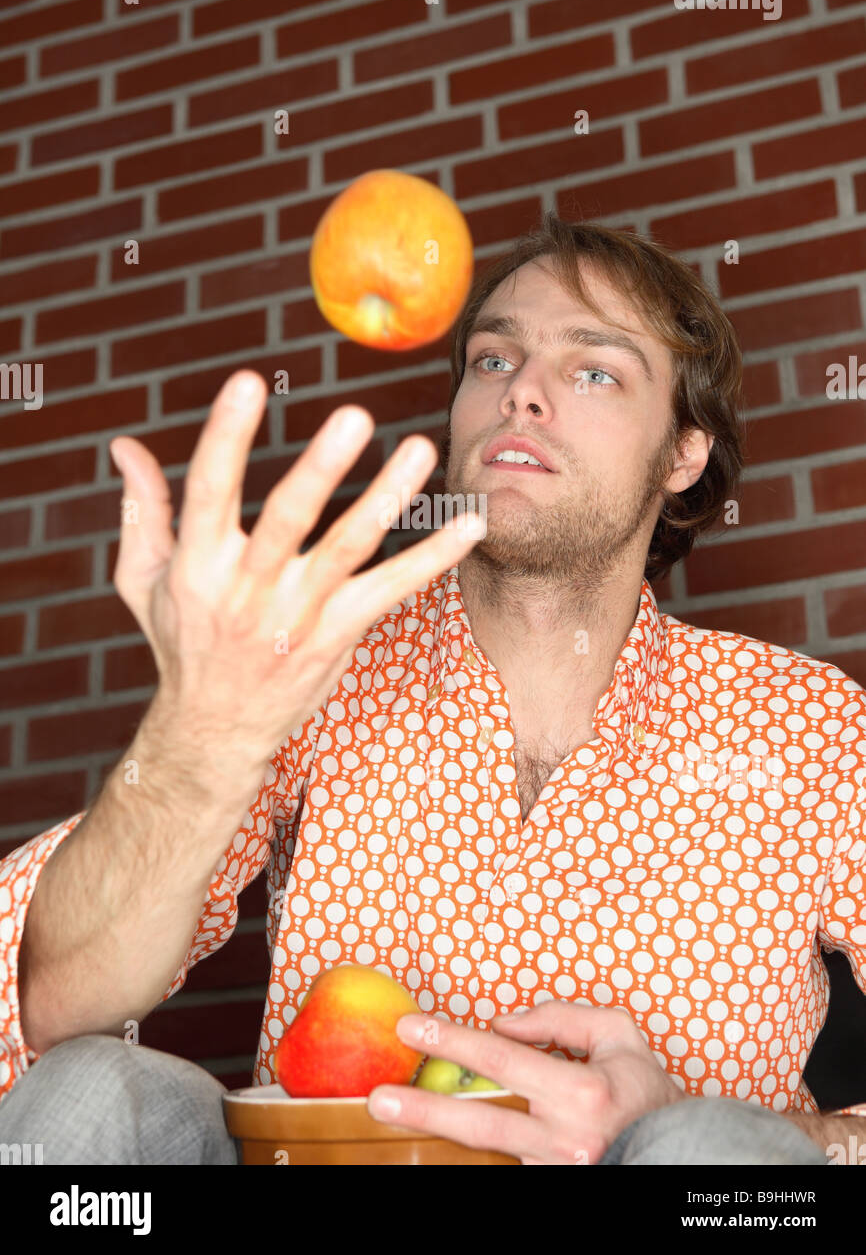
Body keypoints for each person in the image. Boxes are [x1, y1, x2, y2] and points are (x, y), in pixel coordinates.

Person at [1, 215, 863, 1166]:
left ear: (683, 456)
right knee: (88, 1092)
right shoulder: (320, 663)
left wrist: (777, 1138)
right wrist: (201, 732)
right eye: (494, 360)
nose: (523, 394)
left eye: (594, 371)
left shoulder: (810, 726)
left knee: (710, 1151)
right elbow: (46, 996)